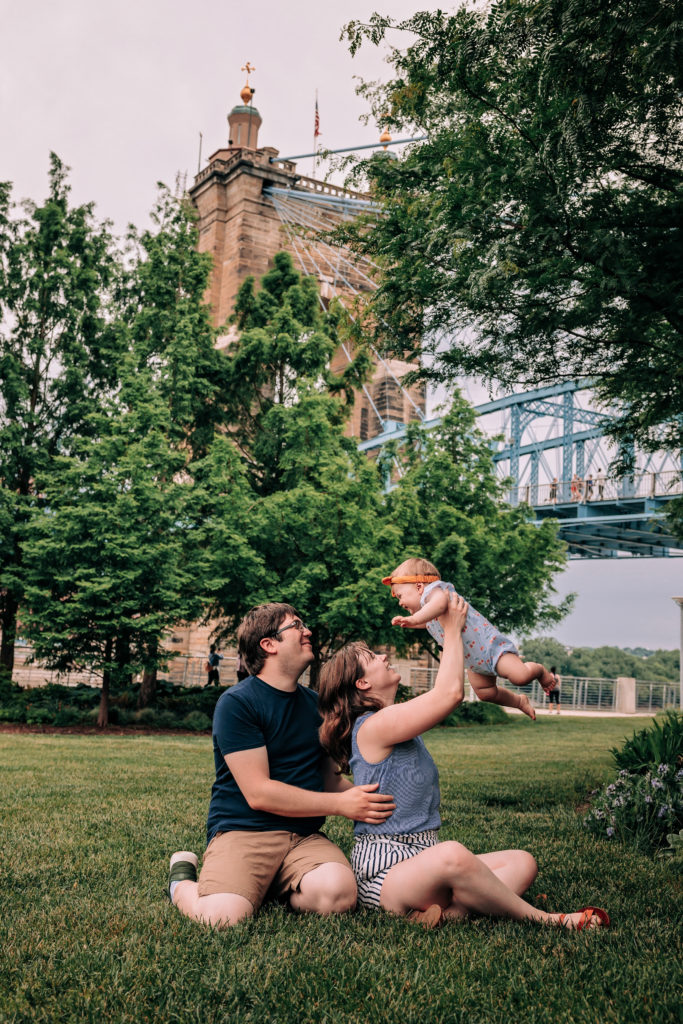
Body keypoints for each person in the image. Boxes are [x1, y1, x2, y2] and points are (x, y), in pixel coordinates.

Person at [318, 592, 609, 931]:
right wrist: (452, 629)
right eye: (372, 656)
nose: (383, 656)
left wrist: (477, 651)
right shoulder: (372, 727)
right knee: (454, 854)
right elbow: (449, 695)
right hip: (386, 874)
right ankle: (548, 920)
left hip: (427, 861)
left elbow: (456, 688)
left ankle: (449, 914)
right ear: (362, 683)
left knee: (522, 862)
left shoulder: (393, 720)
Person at [168, 603, 396, 928]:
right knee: (222, 917)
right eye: (297, 626)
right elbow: (258, 793)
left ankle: (268, 885)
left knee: (339, 895)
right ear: (269, 644)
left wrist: (372, 798)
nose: (308, 632)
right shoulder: (238, 703)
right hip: (244, 833)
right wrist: (342, 805)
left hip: (303, 837)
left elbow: (329, 781)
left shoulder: (317, 706)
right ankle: (180, 880)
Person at [383, 557, 557, 720]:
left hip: (491, 650)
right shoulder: (429, 611)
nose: (399, 602)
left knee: (520, 677)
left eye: (400, 596)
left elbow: (440, 604)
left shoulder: (435, 592)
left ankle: (540, 670)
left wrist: (414, 619)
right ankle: (518, 701)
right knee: (485, 693)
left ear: (420, 587)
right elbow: (430, 621)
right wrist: (412, 623)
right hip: (473, 662)